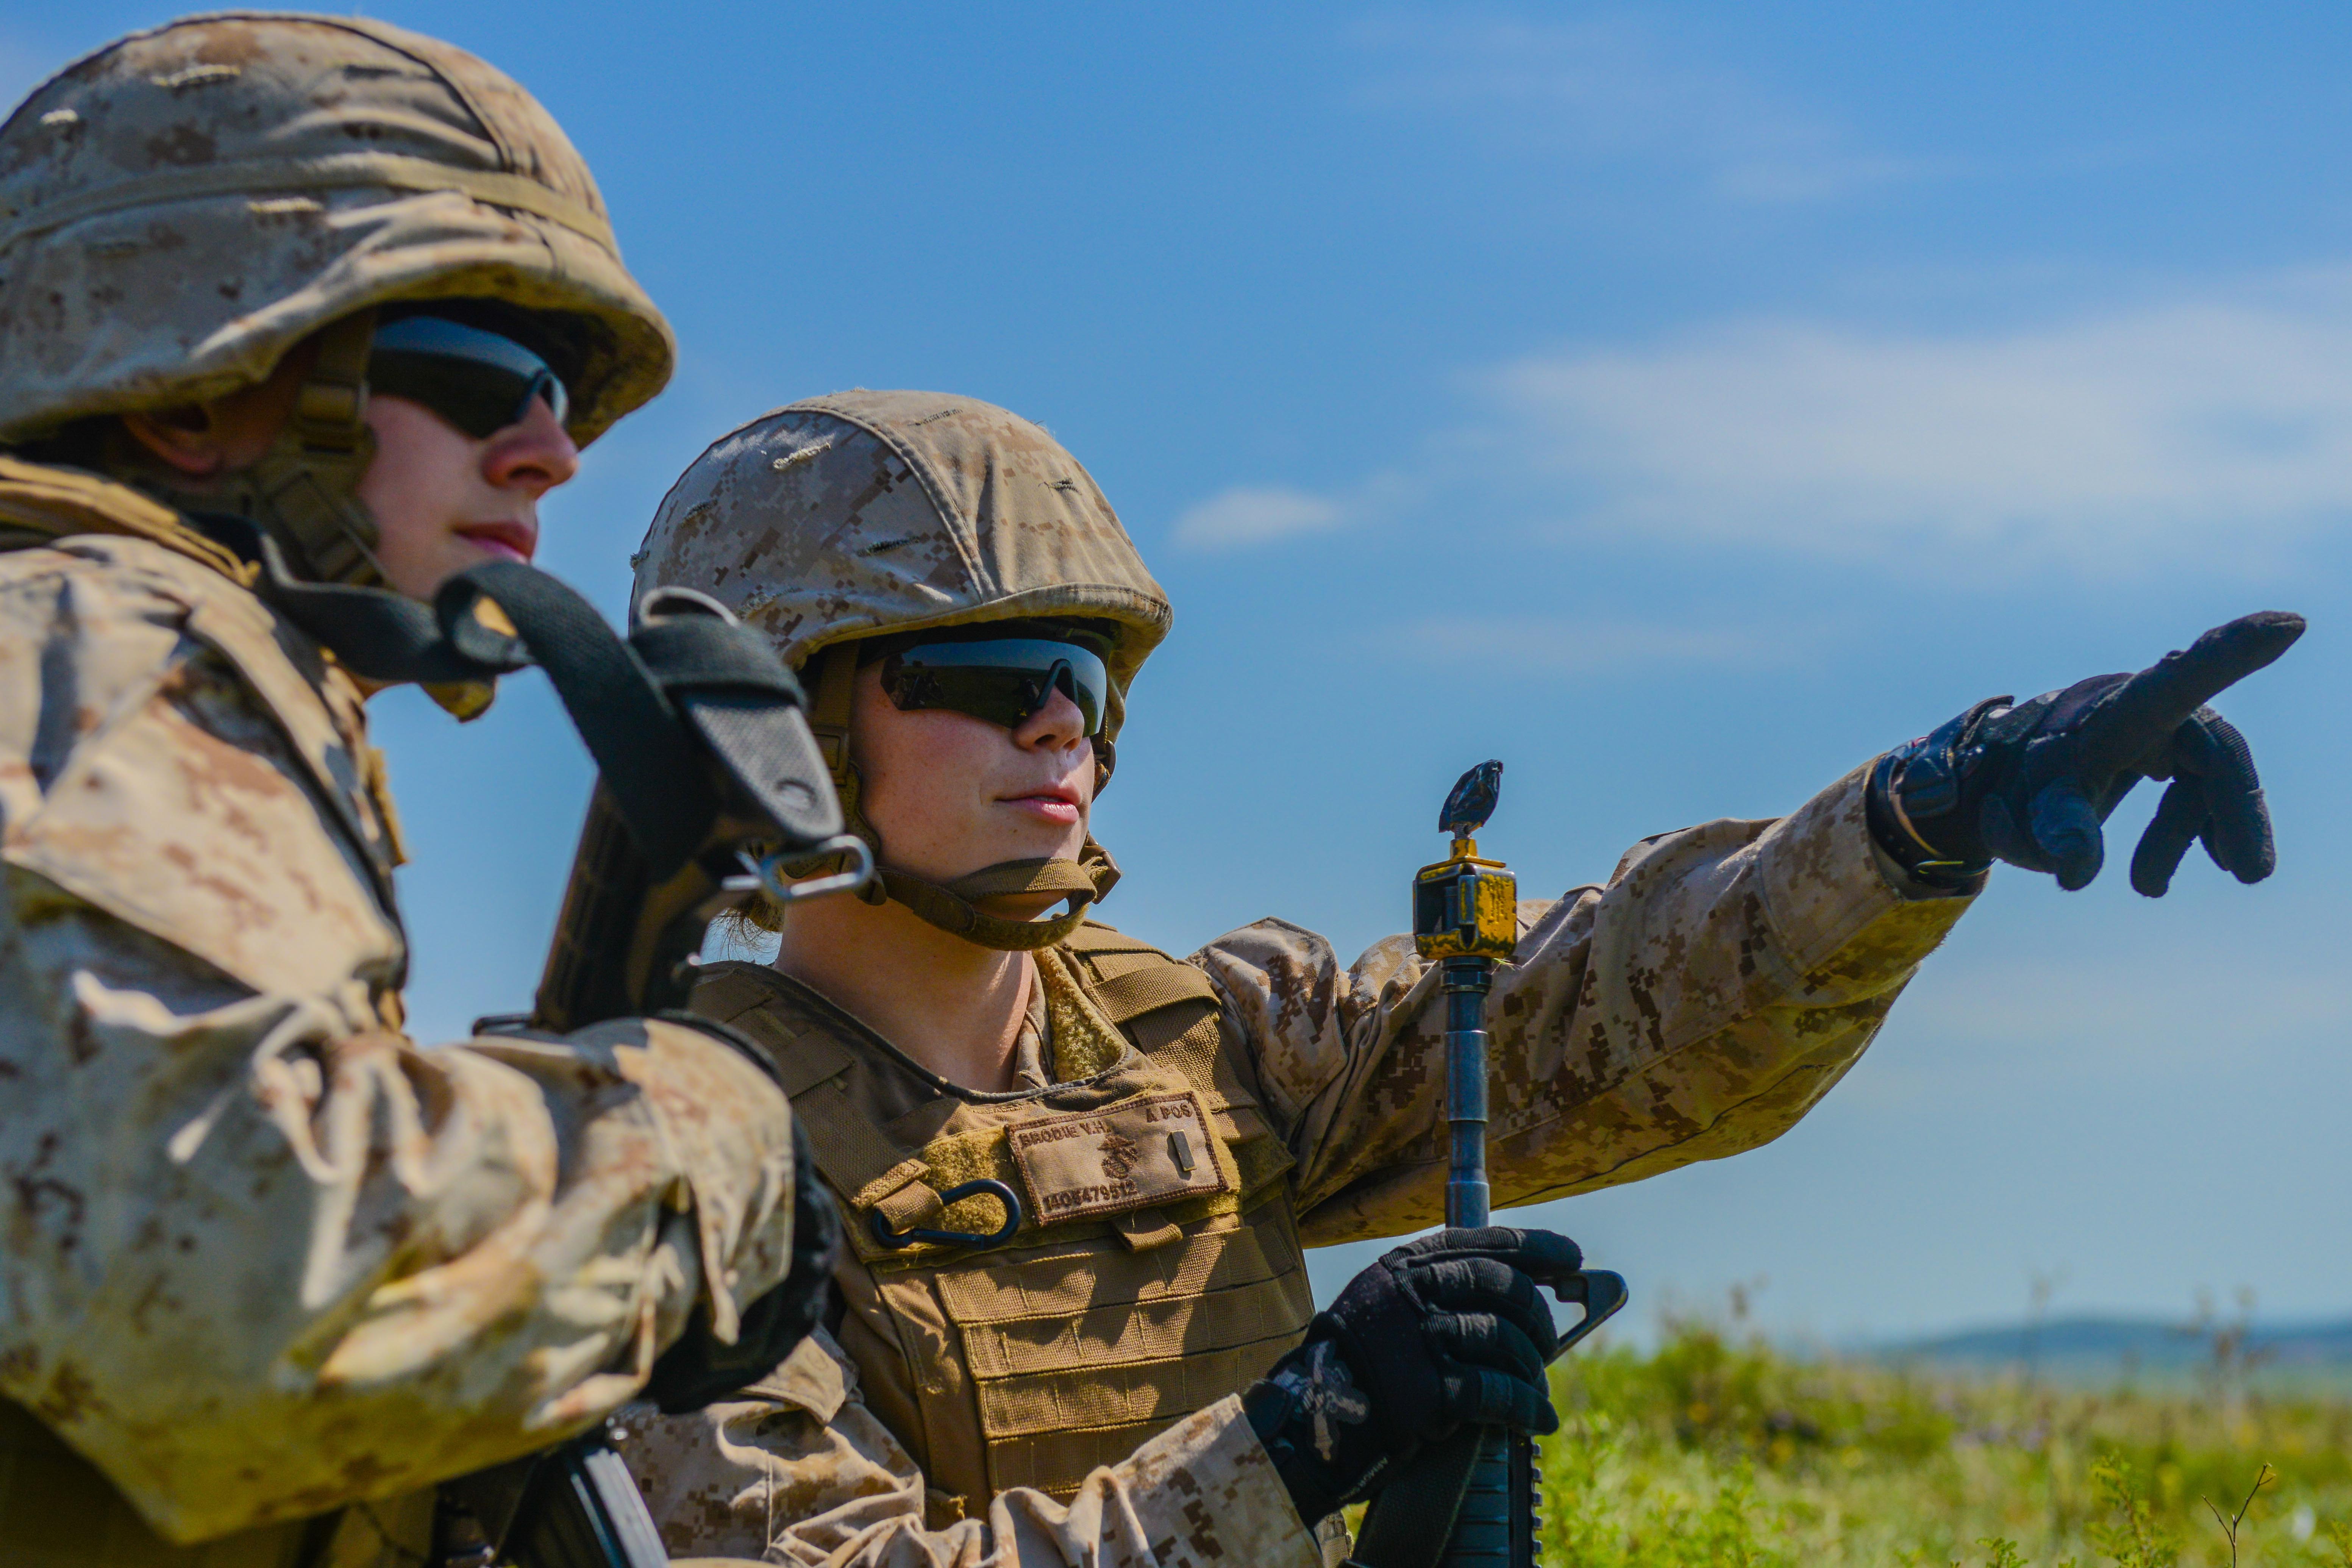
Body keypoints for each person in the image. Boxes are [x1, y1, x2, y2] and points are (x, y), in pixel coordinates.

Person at [618, 381, 2297, 1568]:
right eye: (989, 676)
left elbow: (1615, 1019)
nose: (1059, 722)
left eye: (1079, 674)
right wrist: (1299, 1438)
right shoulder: (660, 1163)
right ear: (783, 728)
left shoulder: (1210, 1046)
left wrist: (1925, 810)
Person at [0, 16, 835, 1563]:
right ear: (194, 390)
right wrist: (704, 1141)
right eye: (483, 371)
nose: (551, 452)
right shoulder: (99, 645)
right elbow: (242, 1293)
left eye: (560, 391)